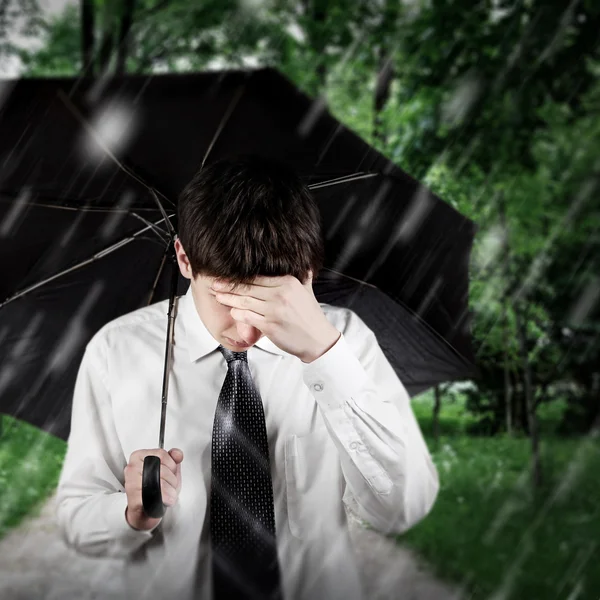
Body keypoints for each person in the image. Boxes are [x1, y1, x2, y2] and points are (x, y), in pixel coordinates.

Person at [55, 153, 440, 600]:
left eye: (265, 303)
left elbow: (401, 510)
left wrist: (325, 355)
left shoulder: (346, 340)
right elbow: (75, 514)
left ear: (308, 274)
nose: (246, 330)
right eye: (226, 298)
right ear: (184, 257)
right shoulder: (116, 351)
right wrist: (130, 512)